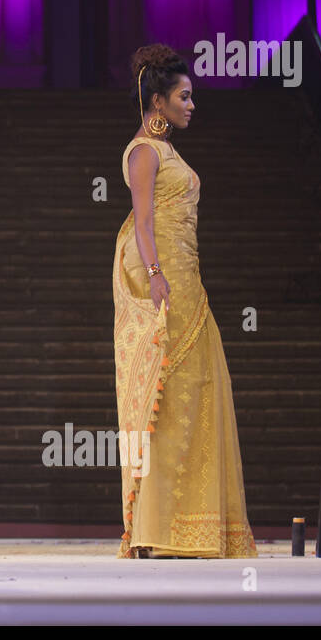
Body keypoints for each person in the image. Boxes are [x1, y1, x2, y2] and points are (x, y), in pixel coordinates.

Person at [112, 45, 257, 559]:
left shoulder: (168, 150)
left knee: (197, 388)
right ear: (158, 101)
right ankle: (160, 525)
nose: (192, 105)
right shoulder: (146, 151)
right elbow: (143, 220)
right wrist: (154, 276)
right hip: (166, 276)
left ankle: (193, 523)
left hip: (186, 275)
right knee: (169, 395)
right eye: (184, 96)